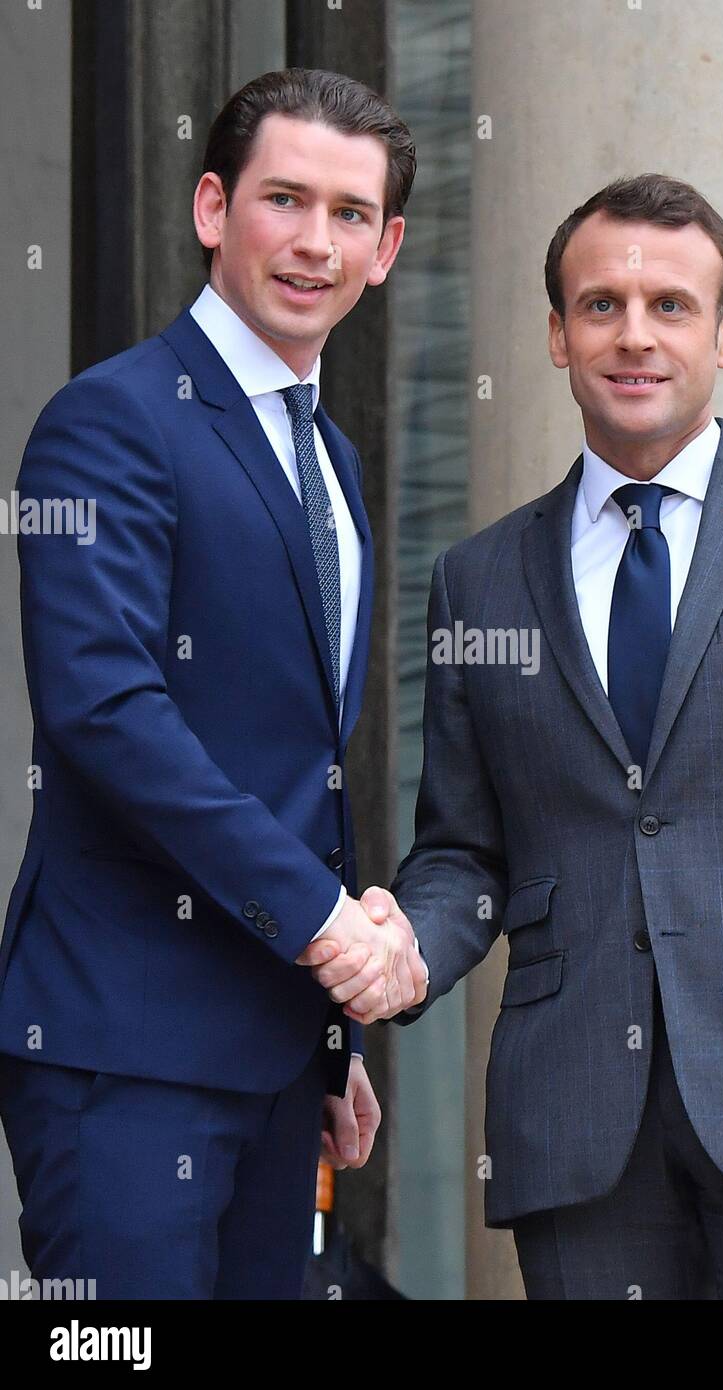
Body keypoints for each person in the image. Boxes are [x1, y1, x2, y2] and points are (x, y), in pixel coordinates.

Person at [314, 174, 723, 1299]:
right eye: (600, 305)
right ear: (558, 335)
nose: (634, 334)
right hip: (577, 1131)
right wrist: (407, 947)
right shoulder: (479, 578)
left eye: (670, 305)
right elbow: (466, 849)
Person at [0, 67, 426, 1300]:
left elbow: (292, 760)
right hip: (124, 1053)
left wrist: (320, 1030)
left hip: (268, 1060)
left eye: (350, 214)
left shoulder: (329, 455)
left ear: (388, 248)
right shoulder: (111, 421)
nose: (314, 242)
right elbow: (108, 710)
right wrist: (326, 924)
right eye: (282, 199)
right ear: (208, 208)